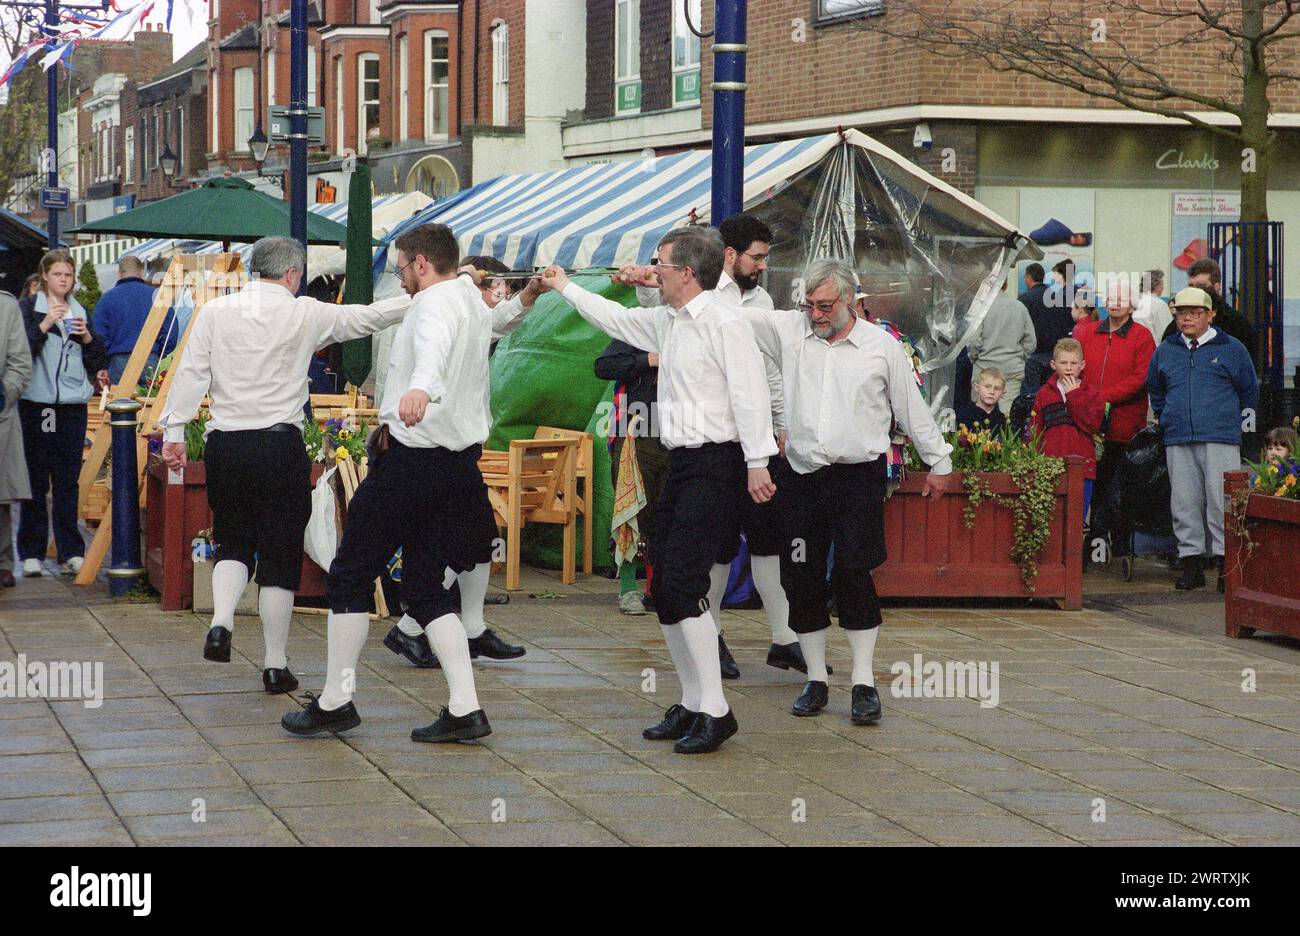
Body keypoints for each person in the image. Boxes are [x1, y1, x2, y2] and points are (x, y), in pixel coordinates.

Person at [282, 224, 541, 741]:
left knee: (351, 574)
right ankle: (466, 710)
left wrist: (421, 388)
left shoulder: (432, 306)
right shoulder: (468, 297)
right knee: (424, 588)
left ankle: (338, 699)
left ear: (422, 263)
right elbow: (491, 325)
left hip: (412, 460)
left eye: (401, 267)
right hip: (456, 466)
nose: (400, 279)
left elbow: (433, 347)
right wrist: (527, 297)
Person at [544, 226, 776, 755]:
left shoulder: (725, 322)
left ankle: (716, 710)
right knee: (664, 584)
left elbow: (750, 393)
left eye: (661, 263)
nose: (654, 270)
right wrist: (564, 287)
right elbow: (618, 320)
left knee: (686, 580)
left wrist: (759, 462)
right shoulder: (669, 321)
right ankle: (693, 701)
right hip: (681, 461)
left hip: (717, 462)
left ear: (686, 273)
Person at [160, 237, 412, 693]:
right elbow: (364, 318)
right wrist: (414, 301)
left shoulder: (216, 312)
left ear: (255, 268)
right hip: (279, 447)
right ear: (294, 274)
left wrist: (175, 432)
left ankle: (221, 621)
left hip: (226, 445)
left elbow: (191, 372)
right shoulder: (305, 312)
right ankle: (275, 665)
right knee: (279, 555)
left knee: (232, 539)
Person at [746, 259, 956, 725]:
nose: (815, 315)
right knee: (799, 576)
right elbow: (728, 314)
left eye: (824, 306)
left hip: (857, 478)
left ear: (849, 299)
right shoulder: (789, 331)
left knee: (854, 573)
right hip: (801, 478)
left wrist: (938, 461)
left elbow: (910, 407)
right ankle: (816, 679)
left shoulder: (881, 347)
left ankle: (864, 683)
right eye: (808, 305)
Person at [617, 213, 811, 680]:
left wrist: (770, 437)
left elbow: (759, 381)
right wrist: (643, 279)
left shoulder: (756, 301)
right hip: (709, 449)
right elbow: (647, 310)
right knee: (705, 558)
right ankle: (713, 643)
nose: (763, 265)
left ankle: (781, 639)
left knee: (765, 541)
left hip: (741, 447)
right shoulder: (703, 302)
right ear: (728, 255)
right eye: (756, 256)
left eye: (766, 257)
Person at [1147, 287, 1259, 592]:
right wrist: (1167, 416)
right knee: (1183, 502)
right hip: (1178, 435)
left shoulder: (1232, 348)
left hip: (1220, 435)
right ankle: (1191, 564)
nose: (1187, 318)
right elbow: (1155, 388)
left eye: (1195, 312)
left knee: (1221, 501)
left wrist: (1238, 426)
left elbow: (1249, 390)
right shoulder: (1166, 349)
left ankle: (1226, 566)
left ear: (1210, 315)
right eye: (1182, 312)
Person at [17, 250, 107, 577]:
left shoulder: (80, 310)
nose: (63, 281)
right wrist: (44, 324)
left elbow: (98, 358)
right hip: (37, 404)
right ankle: (31, 551)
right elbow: (19, 351)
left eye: (68, 275)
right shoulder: (28, 308)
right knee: (36, 479)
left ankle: (70, 550)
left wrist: (86, 336)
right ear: (44, 277)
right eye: (57, 275)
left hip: (71, 405)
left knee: (68, 480)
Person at [1074, 280, 1156, 563]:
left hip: (1124, 426)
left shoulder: (1142, 336)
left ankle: (1119, 545)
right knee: (1094, 486)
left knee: (1120, 489)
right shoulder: (1086, 332)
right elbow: (1075, 367)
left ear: (1132, 305)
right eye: (1111, 297)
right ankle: (1094, 544)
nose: (1115, 303)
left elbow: (1141, 379)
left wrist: (1103, 397)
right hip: (1089, 426)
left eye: (1122, 299)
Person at [594, 337, 669, 616]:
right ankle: (628, 589)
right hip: (638, 435)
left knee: (668, 514)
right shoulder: (635, 330)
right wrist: (648, 359)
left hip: (684, 433)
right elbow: (603, 366)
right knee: (631, 511)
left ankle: (656, 589)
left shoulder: (694, 327)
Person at [1029, 338, 1105, 524]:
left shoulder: (1092, 393)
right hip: (1050, 467)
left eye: (1073, 363)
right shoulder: (1044, 394)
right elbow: (1035, 429)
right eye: (1064, 363)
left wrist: (1073, 396)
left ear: (1082, 365)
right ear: (1053, 364)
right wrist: (1033, 460)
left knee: (1075, 522)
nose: (1069, 368)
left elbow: (1091, 425)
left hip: (1082, 468)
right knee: (1050, 522)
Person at [94, 254, 177, 386]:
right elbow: (170, 334)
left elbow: (99, 338)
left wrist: (104, 363)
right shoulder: (157, 297)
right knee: (149, 405)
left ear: (119, 273)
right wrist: (158, 353)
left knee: (120, 404)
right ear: (142, 271)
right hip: (150, 358)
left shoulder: (106, 300)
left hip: (118, 361)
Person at [1166, 258, 1258, 369]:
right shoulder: (1177, 324)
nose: (1195, 291)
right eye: (1190, 286)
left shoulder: (1237, 325)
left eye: (1201, 286)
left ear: (1216, 287)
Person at [0, 288, 33, 589]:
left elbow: (20, 363)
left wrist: (4, 393)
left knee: (0, 496)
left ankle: (3, 563)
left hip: (0, 416)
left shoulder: (6, 306)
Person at [965, 278, 1034, 413]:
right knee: (1006, 417)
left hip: (983, 368)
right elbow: (1031, 342)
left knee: (979, 416)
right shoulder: (1020, 307)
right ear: (1006, 285)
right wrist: (1020, 358)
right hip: (1012, 369)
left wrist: (974, 358)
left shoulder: (981, 308)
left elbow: (974, 341)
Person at [1021, 262, 1073, 393]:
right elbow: (1066, 324)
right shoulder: (1059, 297)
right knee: (1052, 394)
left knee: (1031, 396)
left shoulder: (1025, 299)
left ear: (1028, 278)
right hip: (1053, 355)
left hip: (1032, 356)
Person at [955, 368, 1007, 436]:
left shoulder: (1003, 421)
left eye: (997, 388)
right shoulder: (963, 415)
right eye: (987, 386)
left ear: (1003, 393)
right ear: (976, 387)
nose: (992, 392)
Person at [1133, 269, 1172, 344]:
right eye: (1162, 284)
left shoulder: (1133, 303)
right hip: (1153, 350)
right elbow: (1167, 332)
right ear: (1156, 285)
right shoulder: (1159, 304)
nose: (1163, 288)